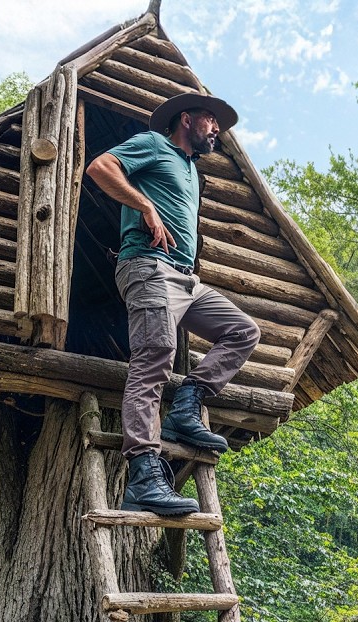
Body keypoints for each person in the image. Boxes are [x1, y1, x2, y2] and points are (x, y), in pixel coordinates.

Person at [86, 92, 260, 516]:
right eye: (211, 121)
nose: (217, 130)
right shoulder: (154, 144)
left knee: (243, 331)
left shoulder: (189, 169)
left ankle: (185, 407)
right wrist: (144, 204)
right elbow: (99, 167)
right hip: (148, 266)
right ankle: (144, 474)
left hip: (184, 278)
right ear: (186, 119)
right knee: (155, 358)